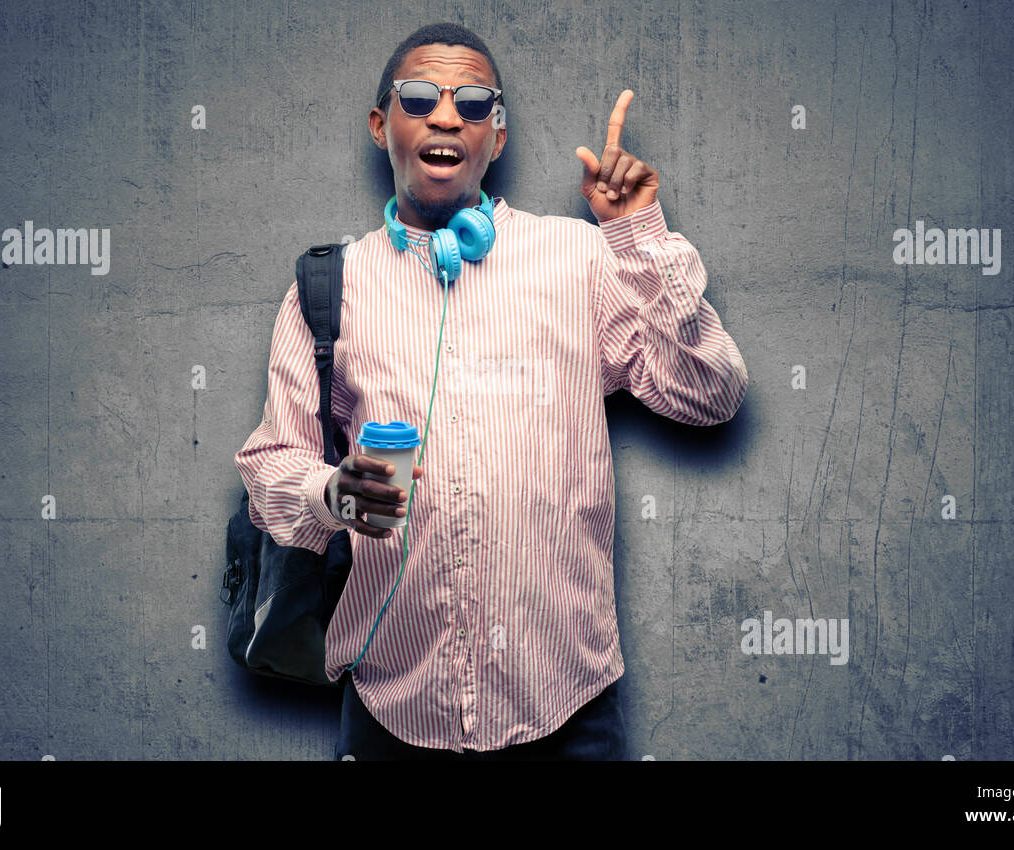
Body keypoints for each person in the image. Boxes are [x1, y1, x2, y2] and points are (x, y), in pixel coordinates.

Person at [233, 22, 749, 760]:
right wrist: (332, 494)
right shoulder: (328, 286)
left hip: (567, 707)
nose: (448, 116)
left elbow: (711, 391)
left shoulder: (578, 260)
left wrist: (636, 234)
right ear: (383, 125)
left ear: (496, 137)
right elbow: (270, 465)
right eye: (420, 98)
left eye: (474, 104)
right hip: (392, 708)